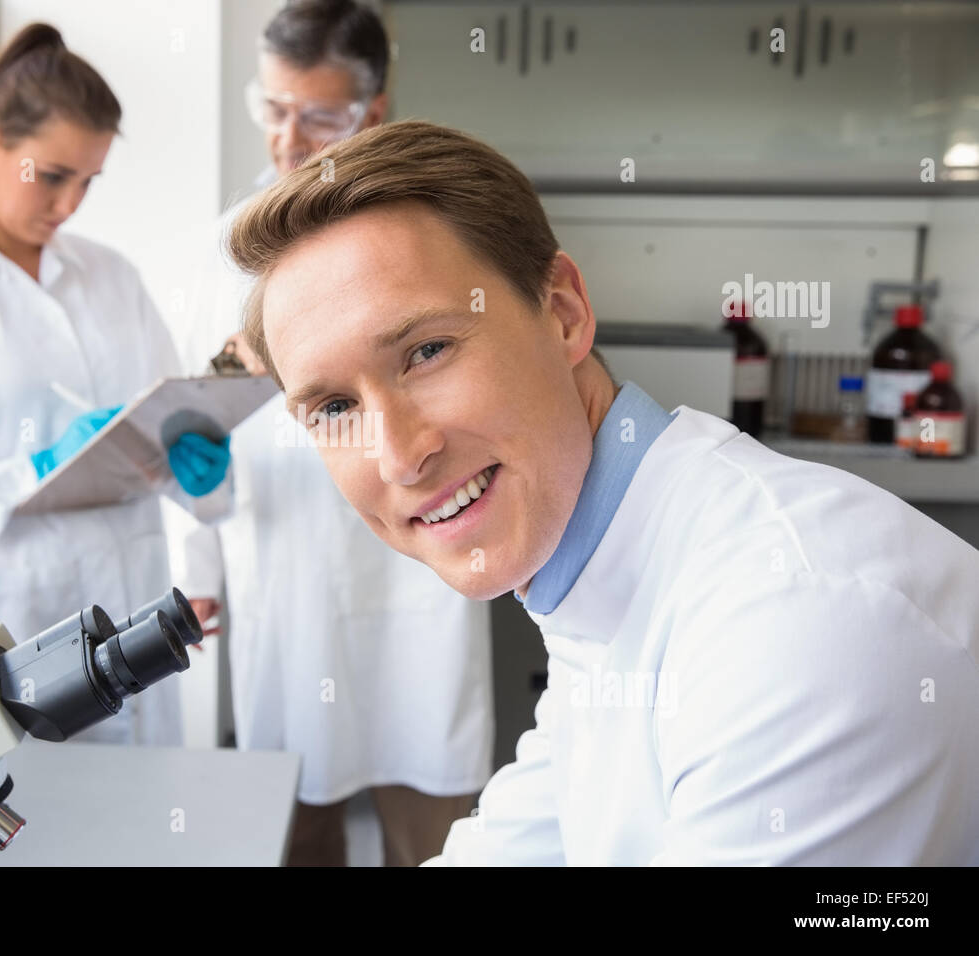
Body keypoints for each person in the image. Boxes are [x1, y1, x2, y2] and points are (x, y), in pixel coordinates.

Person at [224, 119, 979, 865]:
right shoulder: (592, 589)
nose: (397, 456)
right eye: (333, 409)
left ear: (563, 314)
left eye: (426, 351)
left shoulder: (798, 621)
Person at [167, 0, 494, 866]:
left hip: (419, 565)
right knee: (293, 818)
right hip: (284, 573)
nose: (287, 137)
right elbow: (192, 421)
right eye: (273, 109)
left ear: (372, 113)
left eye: (317, 116)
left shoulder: (427, 234)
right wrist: (196, 516)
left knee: (435, 827)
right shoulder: (218, 255)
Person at [0, 23, 232, 748]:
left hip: (128, 619)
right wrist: (32, 470)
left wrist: (201, 468)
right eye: (52, 175)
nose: (69, 204)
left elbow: (168, 417)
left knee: (140, 829)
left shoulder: (111, 276)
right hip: (3, 626)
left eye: (88, 181)